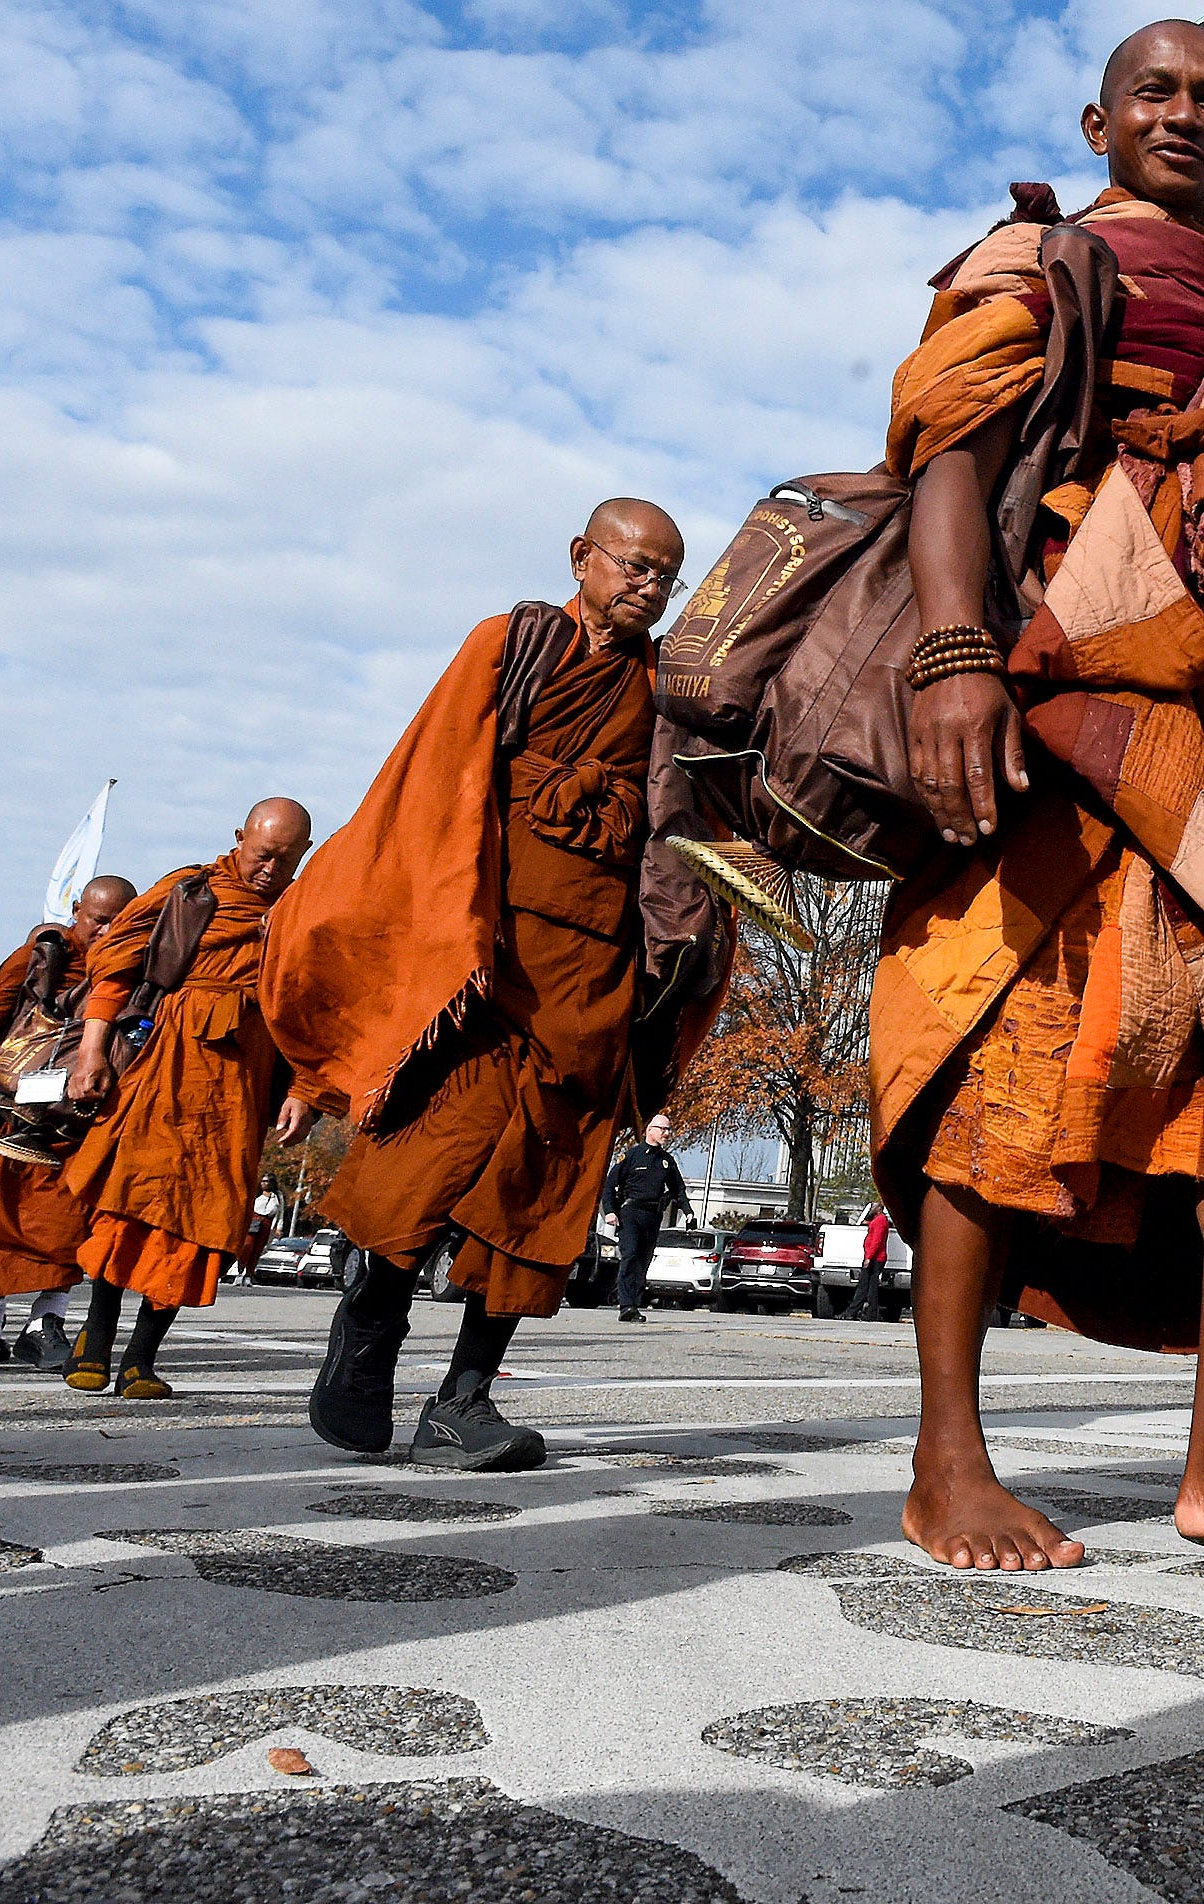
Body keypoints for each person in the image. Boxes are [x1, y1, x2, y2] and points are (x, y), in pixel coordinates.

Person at [860, 20, 1204, 1571]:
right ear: (1098, 120)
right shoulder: (1032, 255)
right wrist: (960, 654)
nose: (1188, 116)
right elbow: (946, 461)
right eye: (1157, 94)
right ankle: (946, 1463)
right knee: (1000, 1039)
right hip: (1060, 666)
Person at [270, 498, 722, 1473]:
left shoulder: (662, 686)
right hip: (486, 967)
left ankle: (463, 1400)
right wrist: (427, 933)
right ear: (583, 557)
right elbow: (429, 783)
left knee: (542, 1184)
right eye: (634, 566)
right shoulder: (513, 643)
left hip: (593, 981)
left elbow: (689, 821)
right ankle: (373, 1315)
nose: (648, 587)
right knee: (431, 1155)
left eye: (666, 576)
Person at [55, 799, 322, 1399]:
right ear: (239, 838)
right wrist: (93, 1051)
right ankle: (94, 1339)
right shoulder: (189, 890)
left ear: (304, 853)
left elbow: (316, 1008)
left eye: (285, 859)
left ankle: (141, 1358)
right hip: (163, 1069)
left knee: (207, 1217)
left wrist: (306, 1090)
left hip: (240, 1090)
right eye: (261, 854)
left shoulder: (303, 911)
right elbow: (117, 970)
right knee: (130, 1200)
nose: (268, 871)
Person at [0, 877, 139, 1371]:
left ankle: (45, 1324)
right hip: (7, 1117)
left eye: (116, 922)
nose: (105, 932)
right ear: (77, 910)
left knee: (64, 1228)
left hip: (77, 1126)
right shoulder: (38, 958)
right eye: (97, 920)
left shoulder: (131, 969)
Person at [602, 1114, 691, 1323]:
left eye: (669, 1130)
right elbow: (609, 1185)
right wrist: (610, 1211)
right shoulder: (631, 1156)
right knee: (630, 1254)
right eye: (663, 1129)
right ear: (650, 1130)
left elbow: (679, 1190)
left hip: (653, 1216)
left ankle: (634, 1302)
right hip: (630, 1214)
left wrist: (688, 1212)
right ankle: (626, 1305)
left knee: (643, 1260)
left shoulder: (667, 1162)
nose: (667, 1134)